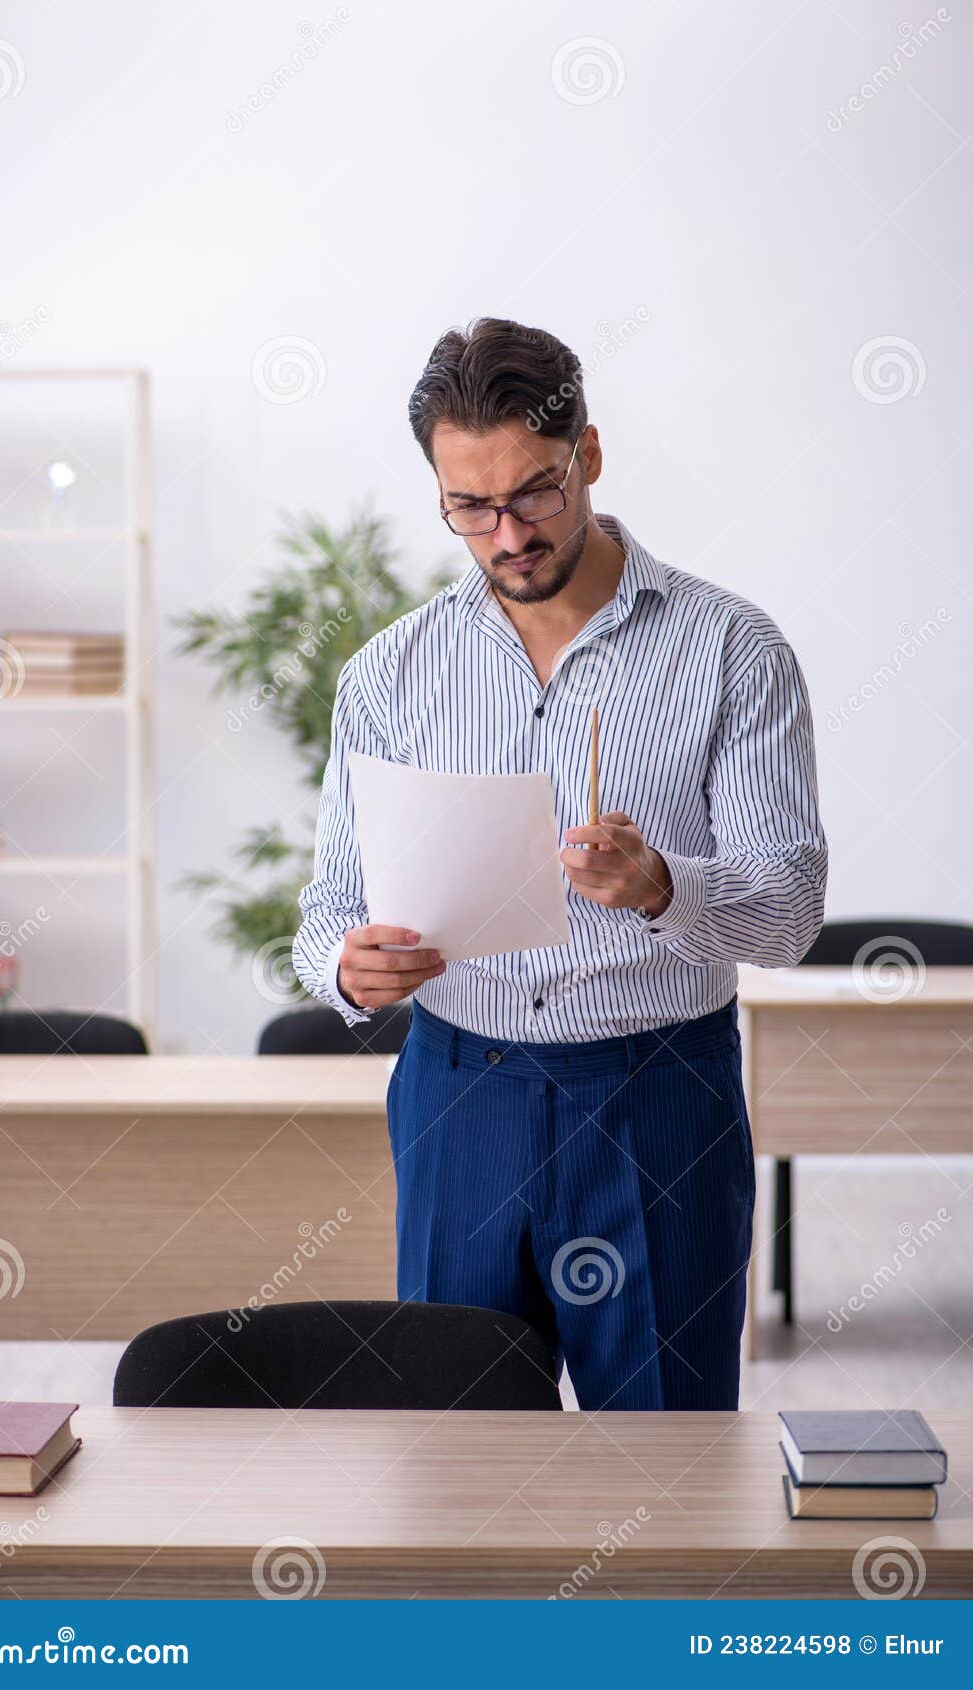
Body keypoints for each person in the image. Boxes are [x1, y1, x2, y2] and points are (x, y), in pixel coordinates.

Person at [292, 317, 827, 1410]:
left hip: (658, 1095)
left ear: (587, 453)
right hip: (458, 1099)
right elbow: (326, 910)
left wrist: (667, 887)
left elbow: (791, 917)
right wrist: (349, 971)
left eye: (533, 492)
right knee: (453, 1457)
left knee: (667, 1458)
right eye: (469, 507)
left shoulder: (732, 650)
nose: (507, 534)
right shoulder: (389, 675)